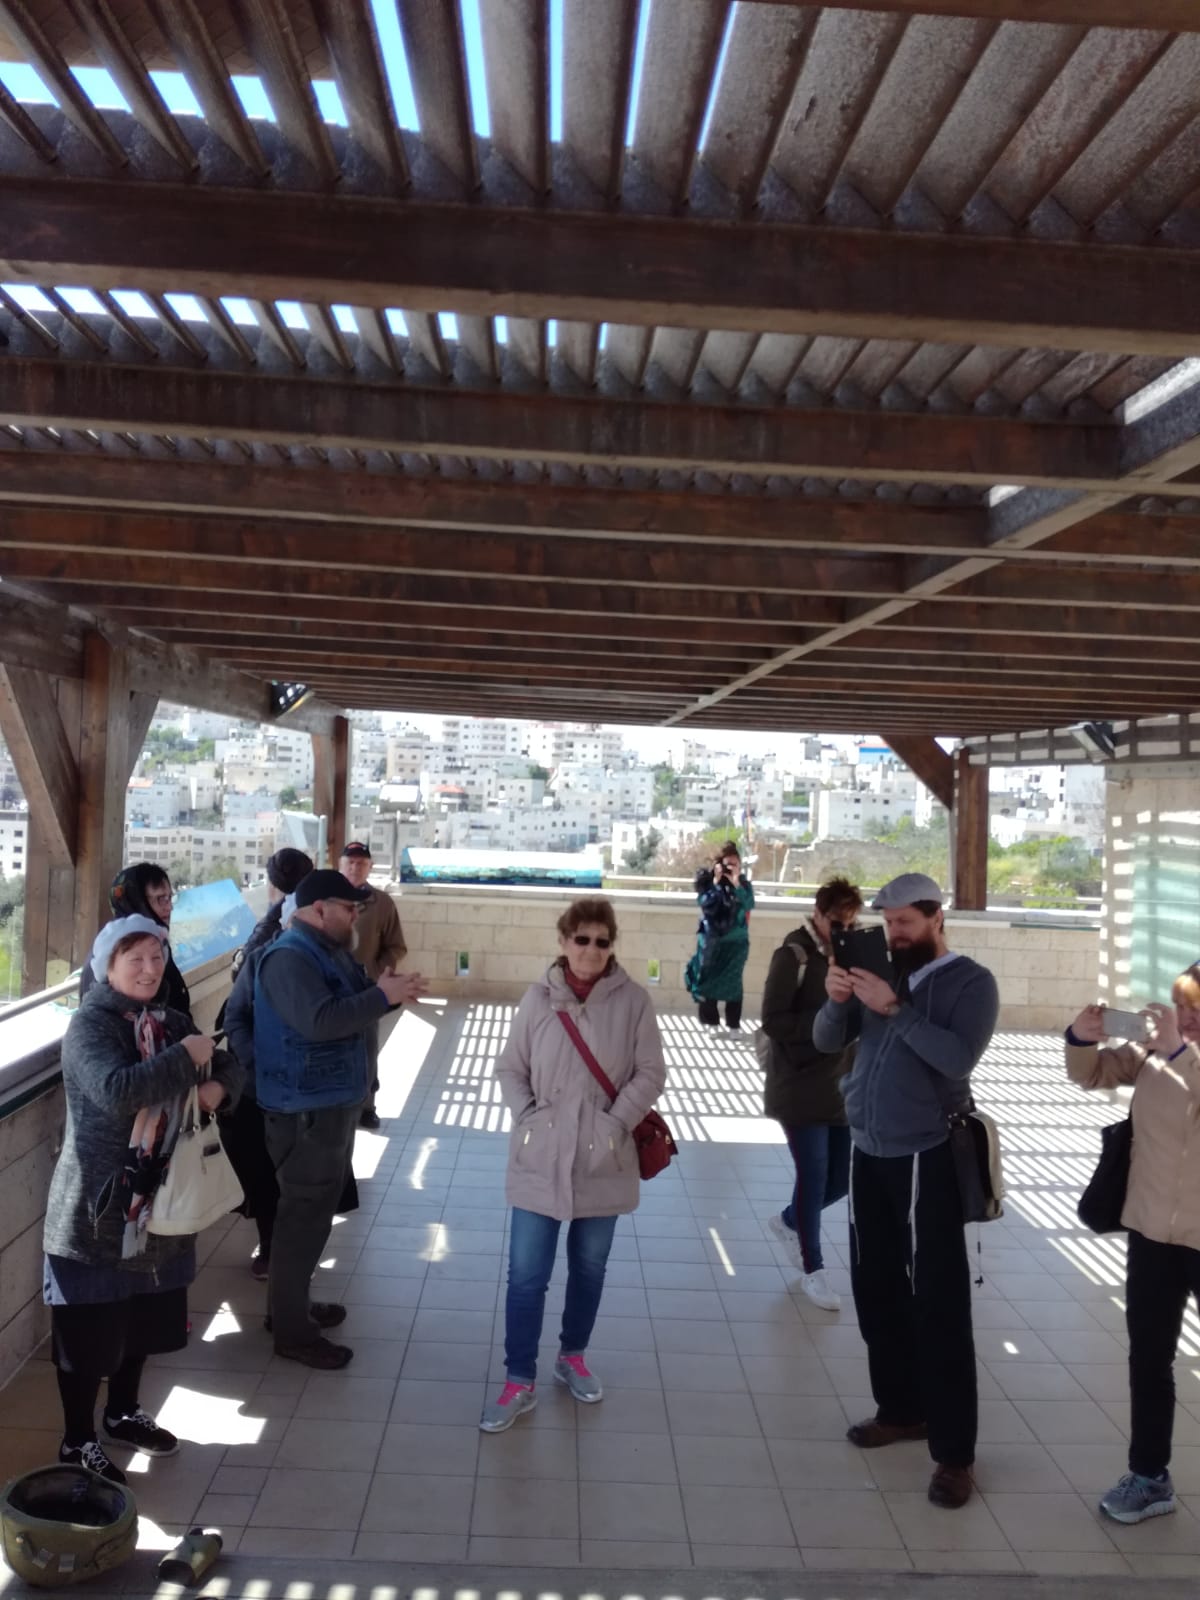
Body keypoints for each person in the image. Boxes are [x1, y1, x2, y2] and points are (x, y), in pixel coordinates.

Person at [813, 872, 999, 1511]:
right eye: (888, 922)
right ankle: (900, 1409)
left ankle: (954, 1454)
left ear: (936, 918)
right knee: (876, 1289)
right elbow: (825, 1040)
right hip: (868, 1149)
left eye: (905, 923)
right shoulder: (879, 968)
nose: (893, 932)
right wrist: (837, 999)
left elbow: (957, 1058)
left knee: (938, 1304)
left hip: (927, 1155)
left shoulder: (972, 983)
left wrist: (896, 1008)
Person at [43, 915, 242, 1484]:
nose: (151, 969)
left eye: (158, 957)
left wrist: (217, 1086)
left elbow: (227, 1062)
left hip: (163, 1206)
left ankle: (123, 1412)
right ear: (107, 967)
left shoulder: (170, 1019)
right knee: (87, 1334)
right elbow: (118, 1091)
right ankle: (77, 1439)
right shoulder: (90, 1026)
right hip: (99, 1210)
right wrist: (186, 1060)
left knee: (138, 1324)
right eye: (136, 960)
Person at [481, 897, 667, 1433]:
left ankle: (573, 1356)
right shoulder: (538, 999)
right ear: (563, 941)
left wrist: (614, 1124)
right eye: (581, 939)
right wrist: (529, 1117)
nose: (591, 949)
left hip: (603, 1158)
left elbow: (651, 1072)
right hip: (540, 1157)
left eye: (602, 941)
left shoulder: (634, 1001)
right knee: (526, 1276)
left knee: (589, 1268)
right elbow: (510, 1067)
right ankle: (519, 1379)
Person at [253, 869, 427, 1369]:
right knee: (301, 1223)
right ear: (317, 909)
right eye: (348, 908)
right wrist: (381, 996)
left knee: (312, 1221)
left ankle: (291, 1308)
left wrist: (386, 995)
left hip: (327, 1107)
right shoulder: (289, 957)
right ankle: (292, 1332)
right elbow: (321, 1020)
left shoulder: (328, 952)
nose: (355, 917)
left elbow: (353, 1008)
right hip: (305, 1113)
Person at [1065, 973, 1200, 1525]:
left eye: (1197, 1007)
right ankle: (1149, 1476)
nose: (1186, 1016)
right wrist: (1081, 1036)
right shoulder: (1152, 1052)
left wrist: (1179, 1053)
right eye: (1181, 1005)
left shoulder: (1175, 1052)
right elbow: (1091, 1073)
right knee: (1149, 1357)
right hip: (1151, 1233)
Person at [761, 875, 863, 1313]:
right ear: (817, 914)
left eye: (851, 923)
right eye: (836, 922)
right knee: (815, 1174)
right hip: (799, 1084)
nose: (843, 930)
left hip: (842, 1083)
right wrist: (827, 1022)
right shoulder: (794, 955)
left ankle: (790, 1220)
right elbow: (773, 1019)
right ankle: (813, 1268)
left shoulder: (857, 954)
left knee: (841, 1178)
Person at [222, 851, 313, 1281]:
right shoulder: (265, 949)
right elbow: (237, 1014)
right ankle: (277, 1254)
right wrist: (258, 1064)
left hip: (296, 1087)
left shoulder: (275, 937)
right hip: (263, 1085)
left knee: (290, 1175)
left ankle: (285, 1257)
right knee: (267, 1170)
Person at [339, 841, 409, 1130]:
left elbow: (396, 946)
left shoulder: (382, 904)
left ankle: (367, 1107)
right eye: (350, 862)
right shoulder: (325, 899)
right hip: (328, 990)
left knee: (367, 1049)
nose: (355, 868)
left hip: (367, 990)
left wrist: (378, 973)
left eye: (361, 863)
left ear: (369, 867)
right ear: (341, 865)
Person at [80, 864, 190, 1018]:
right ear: (136, 900)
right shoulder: (110, 952)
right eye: (161, 899)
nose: (169, 907)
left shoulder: (156, 941)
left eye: (170, 898)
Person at [685, 841, 755, 1030]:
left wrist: (736, 884)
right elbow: (703, 902)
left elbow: (749, 904)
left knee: (734, 985)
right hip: (713, 942)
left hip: (737, 942)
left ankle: (733, 1024)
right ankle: (711, 1022)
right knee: (708, 981)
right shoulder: (710, 882)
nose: (730, 868)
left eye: (734, 864)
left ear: (740, 865)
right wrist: (715, 883)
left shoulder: (744, 885)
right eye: (727, 864)